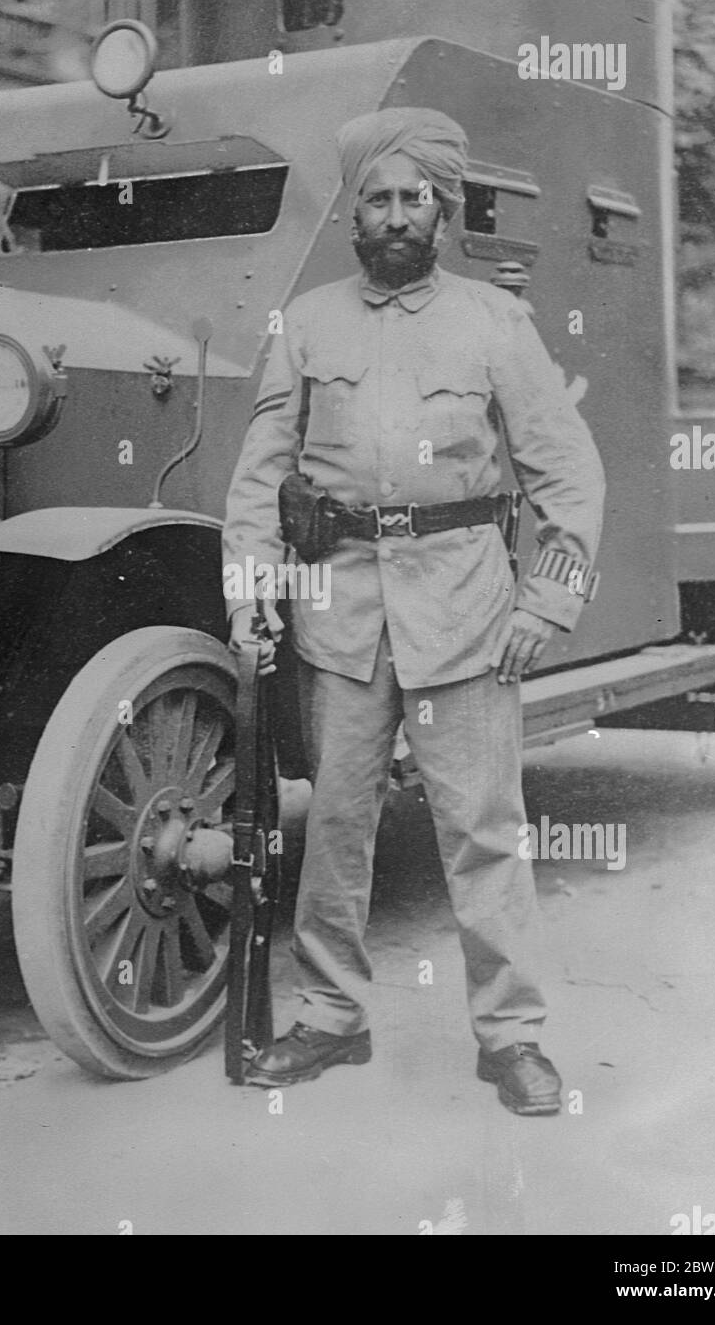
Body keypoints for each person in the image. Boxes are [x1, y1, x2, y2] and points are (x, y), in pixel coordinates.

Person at [222, 107, 605, 1115]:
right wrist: (251, 590)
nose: (396, 216)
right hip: (341, 614)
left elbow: (567, 470)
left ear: (443, 210)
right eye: (378, 199)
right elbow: (261, 471)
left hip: (464, 613)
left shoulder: (493, 322)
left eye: (414, 198)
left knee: (483, 831)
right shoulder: (307, 324)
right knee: (335, 825)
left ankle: (512, 1036)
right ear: (353, 213)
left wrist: (549, 598)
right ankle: (330, 1017)